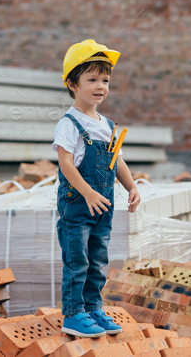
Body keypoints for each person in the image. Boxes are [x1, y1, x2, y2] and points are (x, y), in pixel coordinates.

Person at [52, 39, 141, 337]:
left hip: (103, 207)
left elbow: (118, 161)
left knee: (97, 260)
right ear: (72, 84)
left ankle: (92, 308)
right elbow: (65, 164)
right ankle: (73, 314)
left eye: (105, 80)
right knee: (77, 261)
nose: (100, 85)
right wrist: (87, 192)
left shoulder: (108, 125)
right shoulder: (69, 123)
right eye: (91, 79)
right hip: (78, 204)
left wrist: (131, 186)